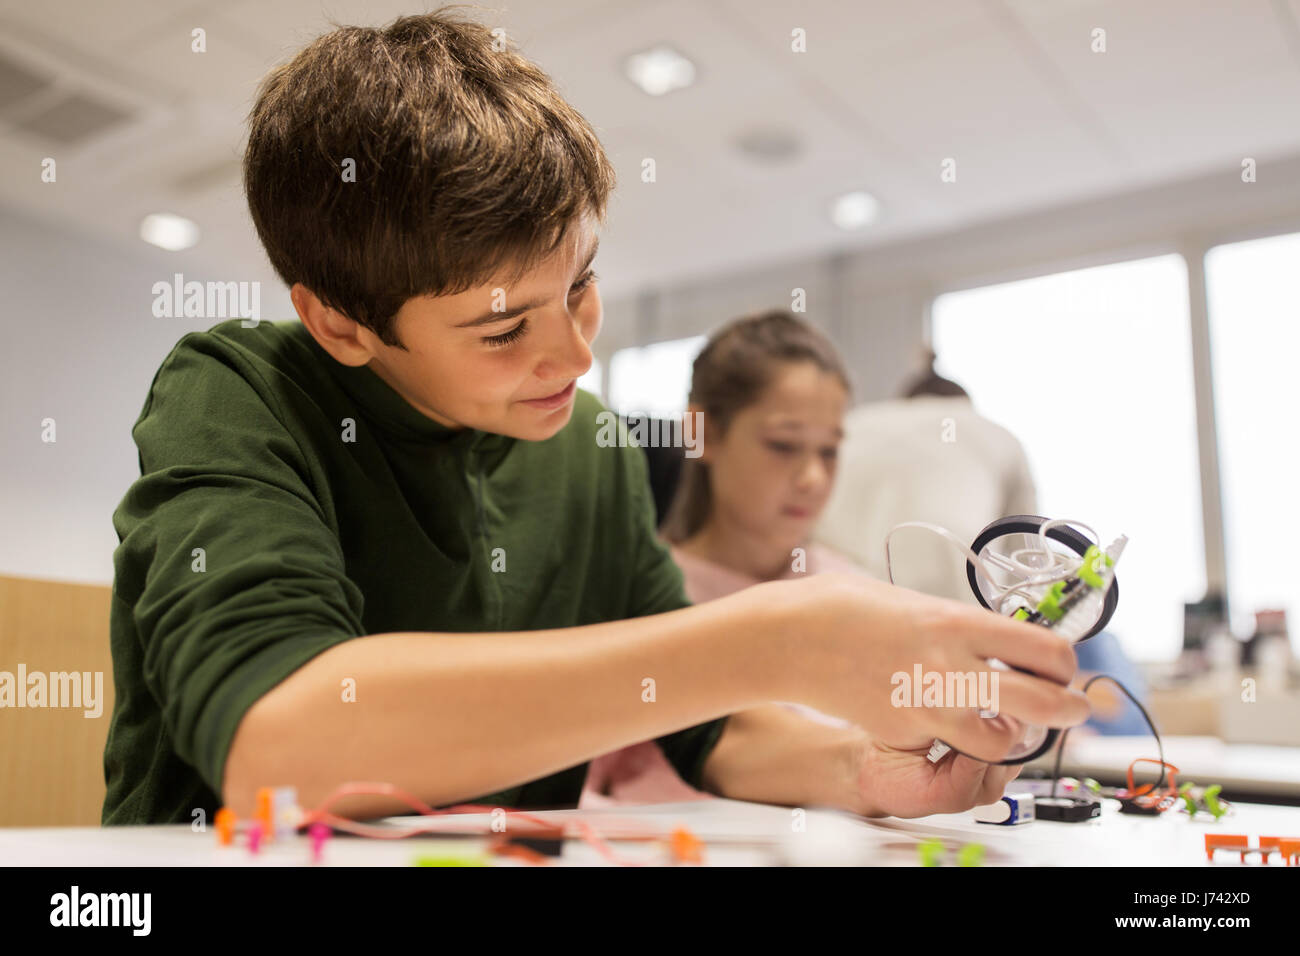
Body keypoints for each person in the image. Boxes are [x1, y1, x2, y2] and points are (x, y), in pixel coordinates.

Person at [103, 10, 1087, 827]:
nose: (573, 357)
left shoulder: (589, 447)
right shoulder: (238, 393)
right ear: (340, 322)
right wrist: (775, 639)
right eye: (499, 331)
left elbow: (704, 727)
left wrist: (862, 767)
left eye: (581, 285)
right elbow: (279, 746)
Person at [581, 310, 862, 806]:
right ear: (702, 433)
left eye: (830, 451)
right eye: (783, 445)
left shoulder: (857, 592)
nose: (813, 478)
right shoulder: (643, 596)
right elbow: (577, 789)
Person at [815, 348, 1038, 604]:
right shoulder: (997, 434)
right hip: (954, 600)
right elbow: (1028, 553)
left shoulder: (857, 422)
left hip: (841, 595)